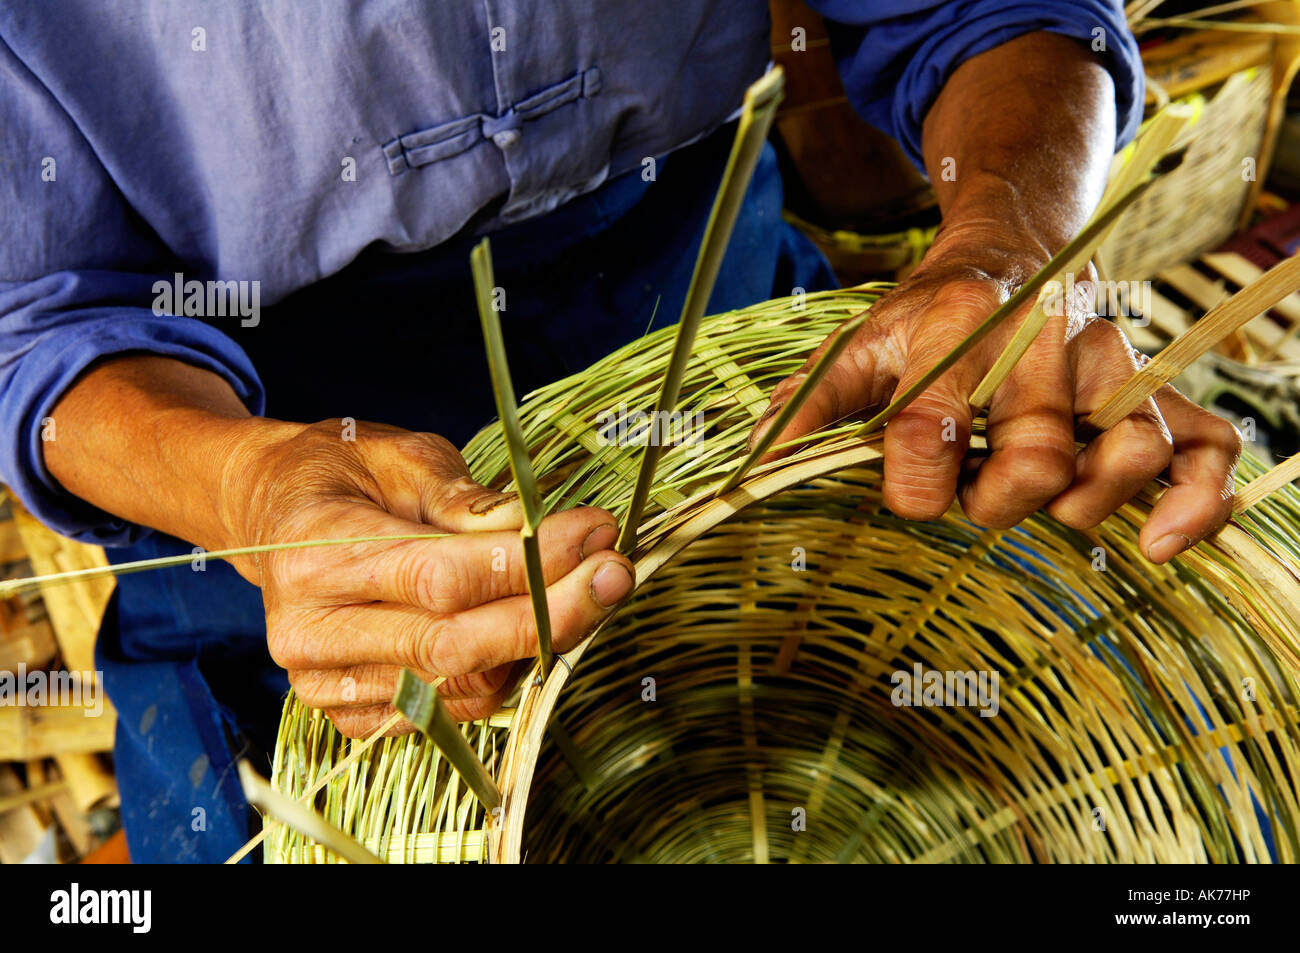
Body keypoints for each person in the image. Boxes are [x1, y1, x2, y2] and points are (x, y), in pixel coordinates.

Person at [0, 2, 1241, 862]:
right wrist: (258, 492)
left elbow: (993, 7)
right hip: (254, 435)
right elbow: (33, 316)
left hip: (704, 294)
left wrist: (1007, 248)